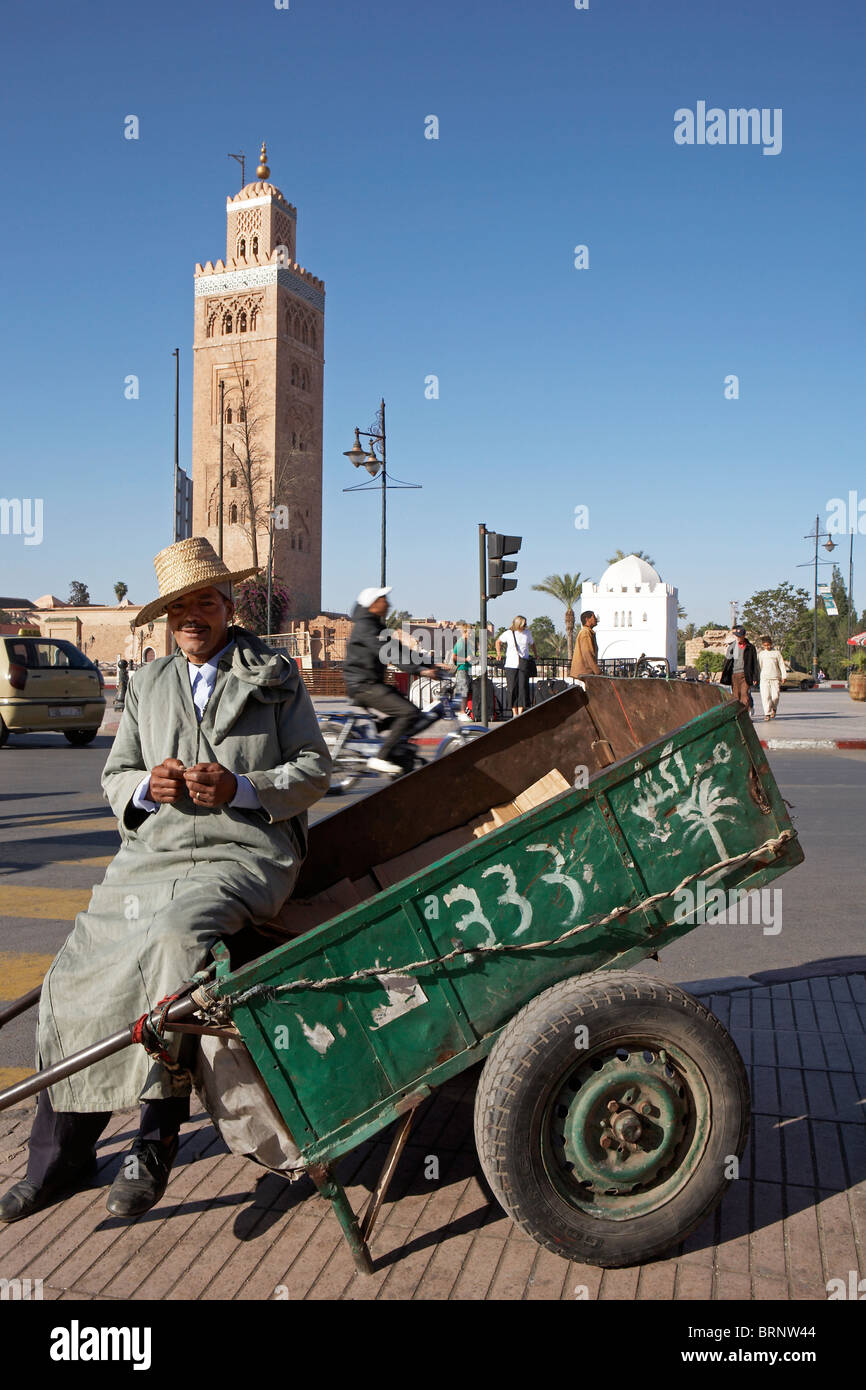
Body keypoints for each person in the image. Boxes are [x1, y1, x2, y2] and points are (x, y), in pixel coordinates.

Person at [0, 537, 332, 1225]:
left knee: (176, 943)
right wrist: (145, 788)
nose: (192, 618)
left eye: (203, 602)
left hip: (243, 856)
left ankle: (154, 1140)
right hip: (153, 859)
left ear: (227, 606)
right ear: (166, 618)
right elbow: (115, 773)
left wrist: (243, 787)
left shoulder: (273, 677)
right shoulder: (148, 684)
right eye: (179, 608)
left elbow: (313, 770)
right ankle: (59, 1156)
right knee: (77, 972)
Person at [343, 587, 436, 774]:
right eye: (384, 600)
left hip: (371, 683)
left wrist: (430, 664)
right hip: (363, 685)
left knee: (413, 713)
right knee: (408, 713)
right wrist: (420, 670)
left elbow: (400, 650)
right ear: (373, 604)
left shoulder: (375, 626)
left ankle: (378, 733)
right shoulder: (366, 627)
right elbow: (389, 653)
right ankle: (380, 757)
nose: (388, 604)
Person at [495, 615, 535, 718]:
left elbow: (532, 644)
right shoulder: (508, 633)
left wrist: (536, 654)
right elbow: (498, 641)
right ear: (518, 624)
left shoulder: (527, 633)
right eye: (523, 624)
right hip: (511, 664)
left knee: (523, 688)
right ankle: (514, 712)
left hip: (523, 663)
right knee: (512, 688)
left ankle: (520, 713)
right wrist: (498, 653)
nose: (525, 626)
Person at [721, 625, 759, 711]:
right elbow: (727, 661)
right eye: (736, 636)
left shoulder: (750, 647)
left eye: (740, 636)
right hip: (734, 674)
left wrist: (755, 677)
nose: (738, 638)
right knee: (736, 696)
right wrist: (725, 675)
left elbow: (754, 663)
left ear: (744, 636)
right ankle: (738, 714)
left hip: (745, 674)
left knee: (744, 694)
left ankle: (745, 713)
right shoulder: (733, 647)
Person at [757, 635, 787, 721]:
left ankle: (774, 708)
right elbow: (759, 667)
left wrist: (784, 676)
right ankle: (767, 713)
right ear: (763, 645)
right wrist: (757, 678)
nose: (767, 647)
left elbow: (781, 665)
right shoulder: (761, 654)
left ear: (771, 644)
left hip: (775, 678)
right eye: (765, 645)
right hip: (764, 678)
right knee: (765, 697)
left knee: (775, 696)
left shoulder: (777, 653)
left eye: (768, 645)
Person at [449, 622, 473, 721]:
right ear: (465, 632)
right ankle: (461, 712)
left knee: (465, 690)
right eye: (470, 632)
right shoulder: (461, 642)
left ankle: (462, 711)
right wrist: (466, 659)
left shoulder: (467, 643)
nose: (471, 634)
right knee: (463, 691)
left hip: (466, 669)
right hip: (462, 669)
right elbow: (454, 657)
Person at [570, 611, 601, 678]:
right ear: (587, 619)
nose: (596, 619)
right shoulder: (585, 633)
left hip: (585, 674)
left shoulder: (588, 632)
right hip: (584, 675)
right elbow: (587, 654)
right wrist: (597, 671)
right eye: (594, 617)